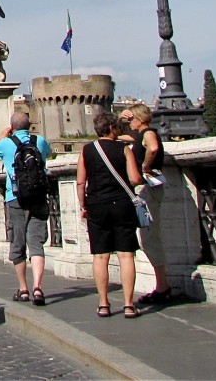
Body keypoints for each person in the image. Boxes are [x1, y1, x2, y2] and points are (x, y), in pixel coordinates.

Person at [0, 112, 52, 306]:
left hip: (15, 198)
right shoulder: (40, 141)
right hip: (38, 197)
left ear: (12, 127)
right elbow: (49, 154)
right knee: (36, 243)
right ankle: (38, 287)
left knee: (17, 243)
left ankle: (23, 289)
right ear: (30, 126)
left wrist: (1, 138)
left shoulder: (6, 144)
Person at [77, 113, 144, 318]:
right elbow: (134, 179)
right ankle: (128, 304)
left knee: (101, 255)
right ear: (113, 128)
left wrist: (83, 205)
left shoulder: (87, 150)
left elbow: (81, 182)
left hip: (96, 204)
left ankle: (104, 303)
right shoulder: (123, 149)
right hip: (122, 204)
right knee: (125, 255)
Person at [120, 104, 172, 304]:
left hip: (150, 188)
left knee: (150, 237)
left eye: (132, 119)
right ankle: (161, 285)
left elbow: (153, 147)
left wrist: (145, 165)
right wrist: (119, 119)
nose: (130, 123)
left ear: (140, 118)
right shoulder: (139, 135)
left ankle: (163, 287)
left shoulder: (148, 133)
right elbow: (116, 136)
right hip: (148, 189)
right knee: (148, 238)